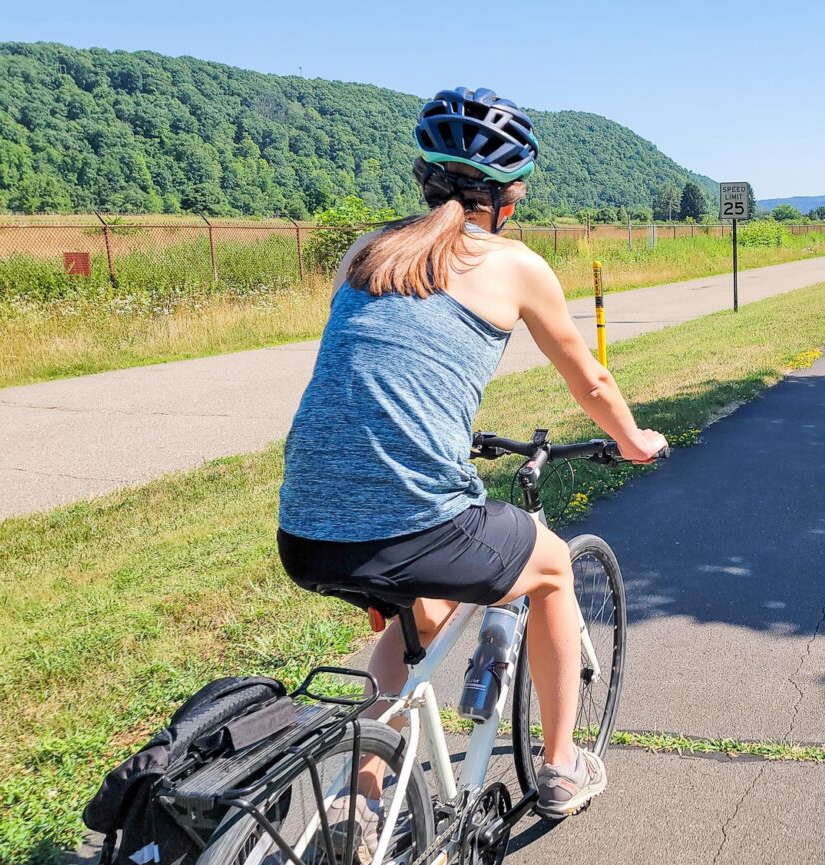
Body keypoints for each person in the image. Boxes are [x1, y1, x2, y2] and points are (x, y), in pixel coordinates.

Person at [275, 87, 667, 846]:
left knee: (421, 612)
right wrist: (632, 439)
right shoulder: (515, 265)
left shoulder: (366, 251)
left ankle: (360, 796)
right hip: (414, 524)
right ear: (510, 198)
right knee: (551, 568)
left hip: (304, 529)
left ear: (424, 178)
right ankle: (560, 766)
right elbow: (590, 381)